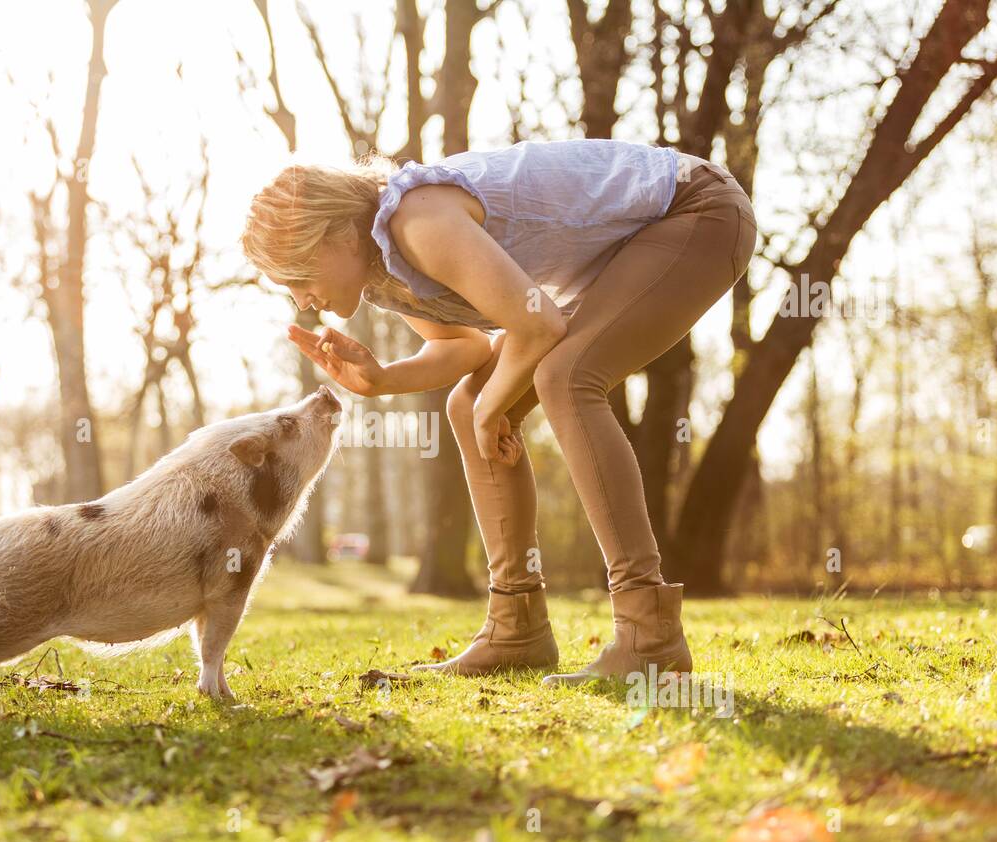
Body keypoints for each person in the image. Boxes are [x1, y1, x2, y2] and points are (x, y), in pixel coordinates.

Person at [241, 138, 756, 685]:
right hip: (632, 249)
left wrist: (494, 406)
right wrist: (383, 380)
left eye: (298, 274)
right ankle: (517, 628)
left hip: (695, 208)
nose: (300, 299)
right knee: (468, 405)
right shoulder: (384, 273)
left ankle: (649, 636)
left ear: (338, 234)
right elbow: (463, 350)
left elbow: (538, 327)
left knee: (564, 377)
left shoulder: (418, 221)